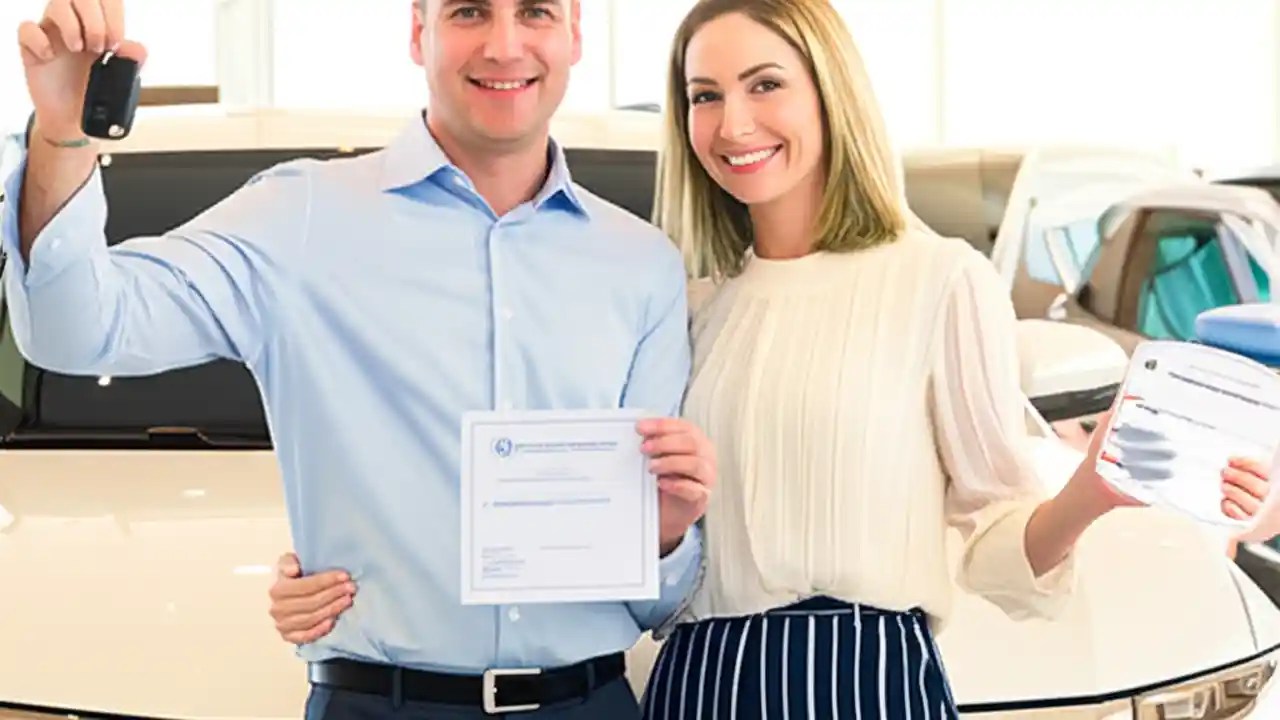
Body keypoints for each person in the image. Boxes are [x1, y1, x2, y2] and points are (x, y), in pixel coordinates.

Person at [266, 0, 1277, 717]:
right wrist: (346, 572)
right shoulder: (684, 299)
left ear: (828, 92)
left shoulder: (933, 278)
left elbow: (990, 540)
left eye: (763, 85)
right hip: (687, 683)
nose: (731, 123)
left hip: (856, 681)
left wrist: (1093, 491)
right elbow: (564, 515)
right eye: (704, 95)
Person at [6, 1, 720, 718]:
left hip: (590, 702)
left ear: (573, 36)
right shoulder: (301, 217)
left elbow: (655, 603)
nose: (505, 46)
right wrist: (64, 139)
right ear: (419, 32)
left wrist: (659, 532)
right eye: (470, 11)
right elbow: (79, 330)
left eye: (534, 12)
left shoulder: (641, 266)